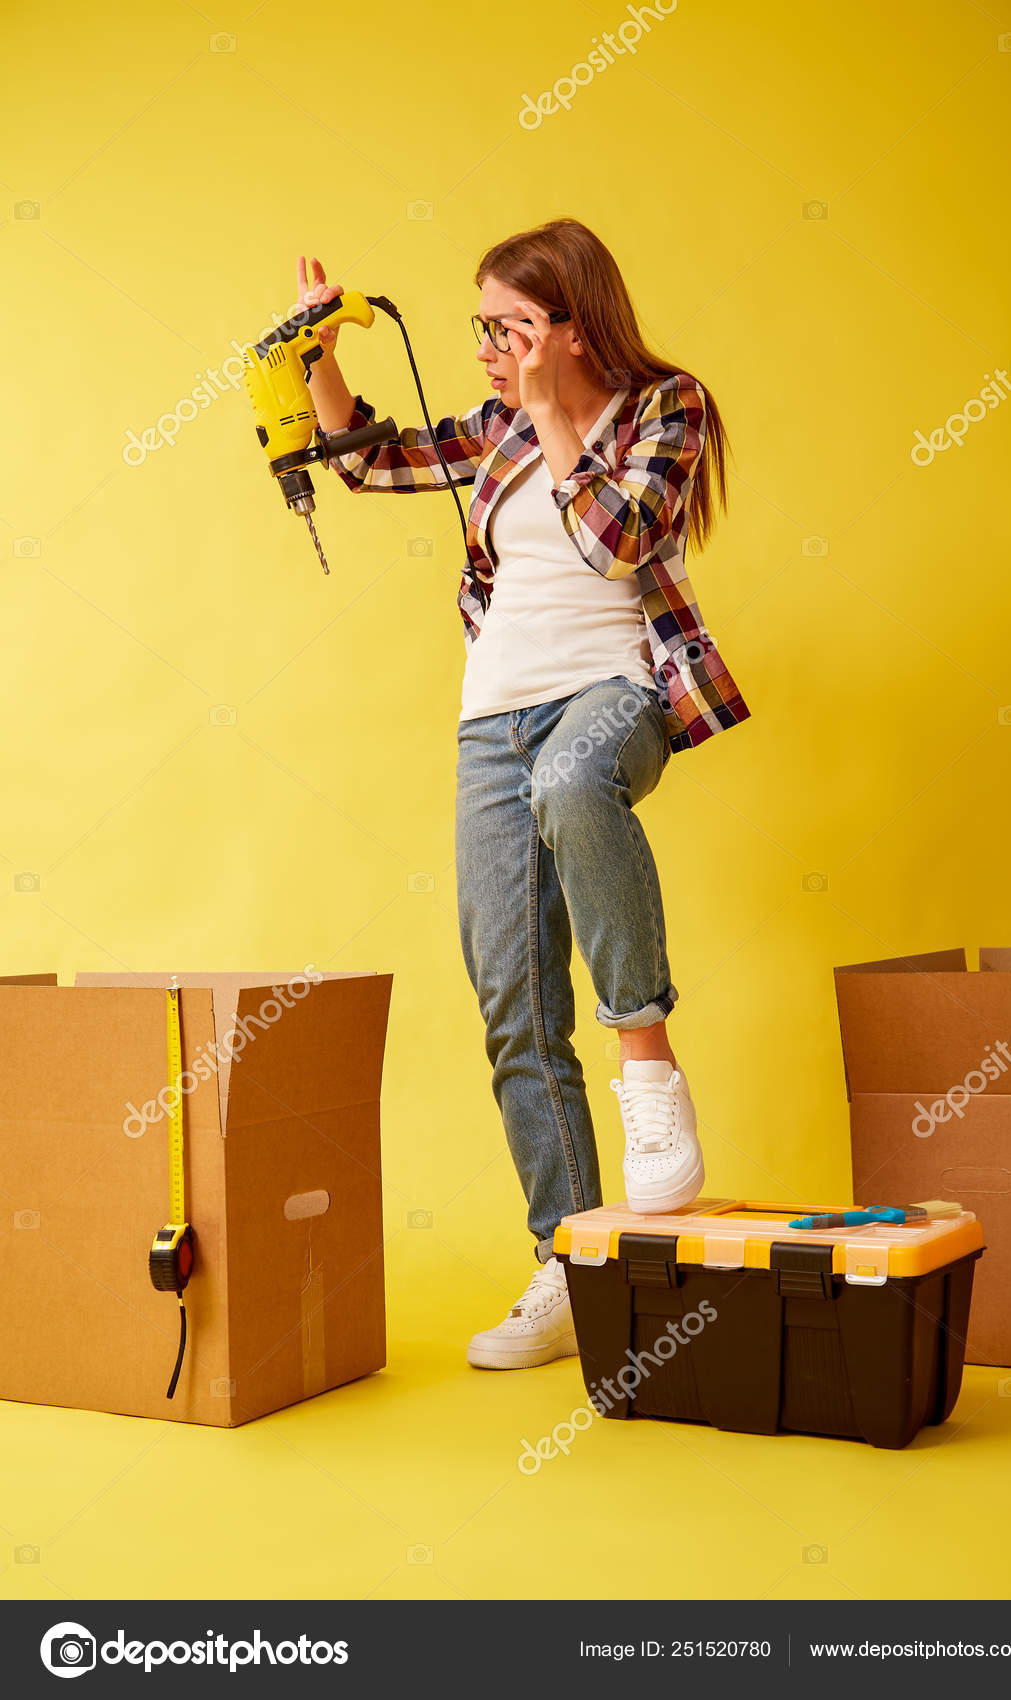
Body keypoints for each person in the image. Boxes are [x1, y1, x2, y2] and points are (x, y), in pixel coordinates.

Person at [300, 217, 750, 1371]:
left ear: (572, 322)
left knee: (573, 780)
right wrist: (317, 356)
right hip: (488, 726)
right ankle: (570, 1261)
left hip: (615, 691)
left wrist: (553, 407)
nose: (491, 351)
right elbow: (364, 456)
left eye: (511, 327)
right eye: (481, 328)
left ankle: (646, 1065)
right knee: (509, 996)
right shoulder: (494, 429)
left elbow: (619, 540)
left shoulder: (665, 407)